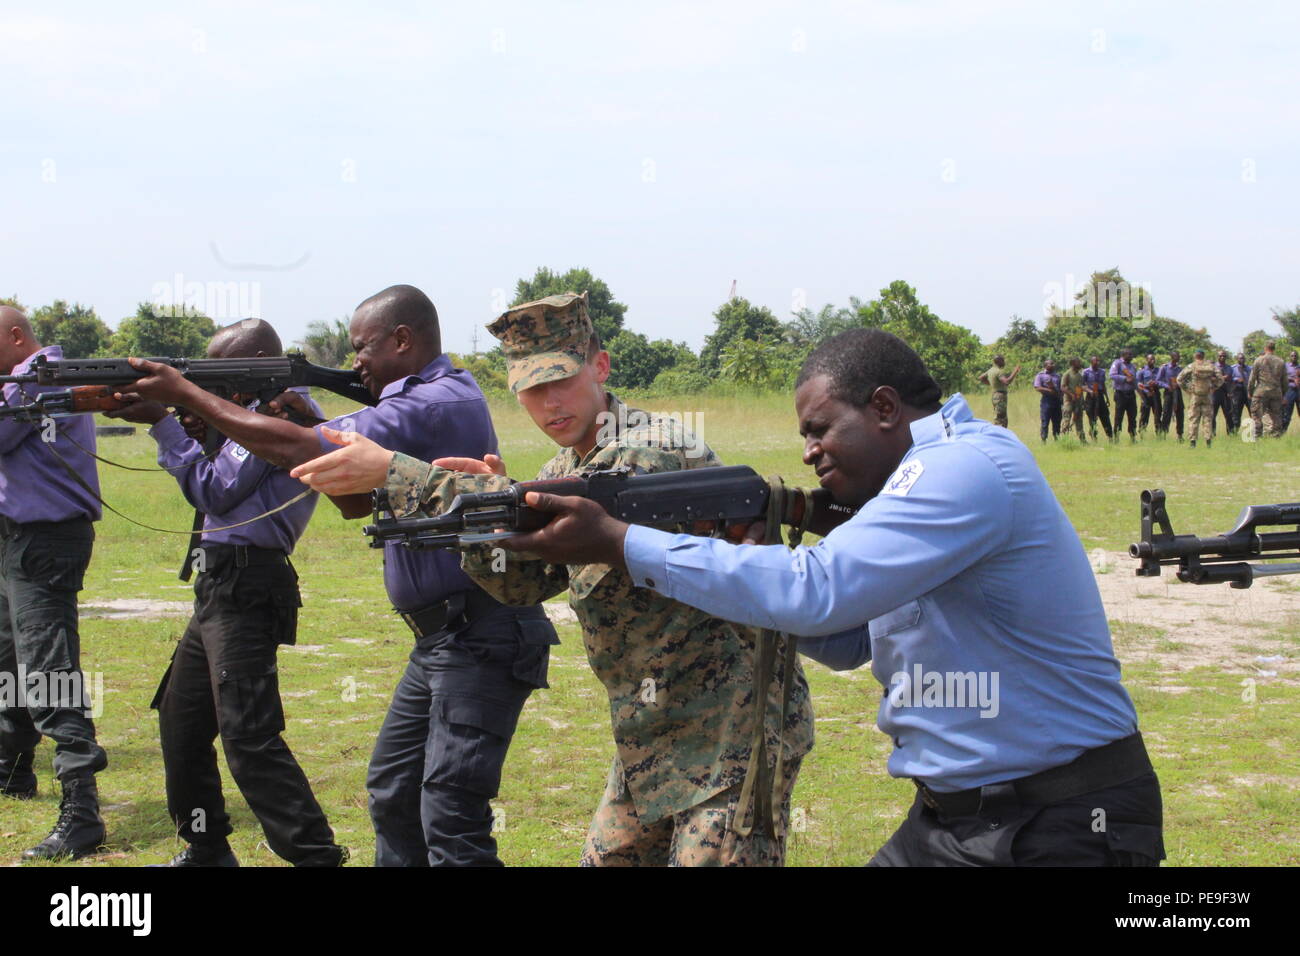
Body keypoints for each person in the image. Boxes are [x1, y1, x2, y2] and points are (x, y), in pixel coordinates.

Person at [478, 328, 1164, 867]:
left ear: (885, 407)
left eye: (820, 429)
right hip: (957, 819)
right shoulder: (907, 485)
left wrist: (621, 540)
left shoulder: (963, 468)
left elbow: (818, 593)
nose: (808, 452)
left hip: (1063, 821)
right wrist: (746, 555)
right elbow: (846, 641)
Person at [292, 293, 815, 866]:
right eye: (529, 389)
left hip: (735, 725)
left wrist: (397, 472)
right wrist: (486, 513)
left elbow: (595, 502)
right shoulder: (559, 471)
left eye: (559, 381)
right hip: (651, 729)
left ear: (601, 368)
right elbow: (526, 585)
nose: (548, 404)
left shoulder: (655, 446)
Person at [118, 285, 557, 867]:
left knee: (450, 817)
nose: (355, 363)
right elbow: (351, 500)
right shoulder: (404, 404)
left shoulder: (431, 402)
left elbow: (284, 456)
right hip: (440, 637)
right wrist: (296, 421)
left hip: (478, 630)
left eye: (363, 348)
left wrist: (187, 396)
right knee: (394, 795)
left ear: (403, 340)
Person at [105, 319, 347, 867]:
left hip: (249, 583)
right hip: (218, 585)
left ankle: (316, 856)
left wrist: (165, 425)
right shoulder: (246, 412)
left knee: (248, 736)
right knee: (181, 721)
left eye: (222, 374)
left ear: (259, 362)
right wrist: (192, 424)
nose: (214, 390)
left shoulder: (281, 413)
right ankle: (207, 846)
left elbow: (214, 489)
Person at [0, 305, 109, 860]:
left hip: (45, 540)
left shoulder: (41, 379)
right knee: (10, 660)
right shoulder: (23, 380)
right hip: (17, 535)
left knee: (48, 672)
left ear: (16, 337)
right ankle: (14, 768)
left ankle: (83, 810)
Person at [1176, 350, 1225, 449]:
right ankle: (1208, 442)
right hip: (1207, 395)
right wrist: (1214, 387)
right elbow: (1221, 378)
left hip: (1195, 395)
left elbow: (1179, 379)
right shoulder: (1210, 366)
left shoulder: (1192, 366)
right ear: (1203, 356)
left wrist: (1188, 389)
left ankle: (1193, 443)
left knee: (1193, 419)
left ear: (1195, 356)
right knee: (1207, 419)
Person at [1248, 341, 1287, 438]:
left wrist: (1250, 391)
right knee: (1276, 416)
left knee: (1257, 415)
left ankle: (1257, 437)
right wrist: (1283, 393)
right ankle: (1276, 437)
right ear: (1274, 348)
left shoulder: (1259, 360)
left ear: (1265, 348)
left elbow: (1252, 379)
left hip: (1261, 392)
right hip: (1276, 392)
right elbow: (1285, 381)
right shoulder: (1281, 361)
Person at [979, 355, 1019, 428]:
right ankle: (997, 436)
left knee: (1001, 417)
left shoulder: (991, 370)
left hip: (994, 396)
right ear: (999, 361)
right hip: (1000, 396)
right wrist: (1015, 372)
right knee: (1000, 419)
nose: (1004, 362)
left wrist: (992, 384)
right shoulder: (999, 371)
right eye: (1003, 360)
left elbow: (981, 378)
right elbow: (1006, 382)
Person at [1108, 349, 1138, 441]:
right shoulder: (1117, 363)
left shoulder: (1132, 366)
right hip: (1120, 394)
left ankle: (1133, 437)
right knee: (1119, 416)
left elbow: (1134, 380)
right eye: (1129, 354)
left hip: (1131, 394)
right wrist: (1125, 379)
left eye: (1131, 354)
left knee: (1132, 416)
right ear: (1123, 355)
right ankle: (1116, 437)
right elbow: (1112, 375)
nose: (1131, 356)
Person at [1082, 355, 1113, 441]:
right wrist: (1089, 391)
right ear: (1091, 362)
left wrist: (1106, 397)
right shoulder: (1086, 372)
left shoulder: (1102, 372)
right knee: (1092, 418)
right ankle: (1093, 436)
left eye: (1099, 361)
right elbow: (1082, 385)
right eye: (1096, 361)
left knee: (1105, 416)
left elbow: (1103, 385)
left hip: (1100, 395)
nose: (1098, 363)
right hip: (1090, 396)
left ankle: (1110, 436)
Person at [1156, 352, 1184, 441]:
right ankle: (1163, 434)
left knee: (1180, 414)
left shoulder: (1180, 369)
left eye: (1179, 356)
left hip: (1178, 392)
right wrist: (1167, 386)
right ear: (1172, 357)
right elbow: (1158, 381)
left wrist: (1179, 385)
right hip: (1168, 393)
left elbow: (1184, 380)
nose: (1178, 358)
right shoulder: (1164, 368)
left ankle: (1180, 435)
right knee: (1166, 414)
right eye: (1177, 356)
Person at [1033, 359, 1061, 443]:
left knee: (1057, 421)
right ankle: (1044, 440)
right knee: (1045, 421)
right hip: (1046, 401)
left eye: (1053, 363)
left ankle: (1057, 439)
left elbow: (1060, 389)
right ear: (1045, 365)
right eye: (1051, 363)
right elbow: (1037, 387)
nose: (1053, 365)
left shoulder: (1057, 376)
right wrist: (1049, 390)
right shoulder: (1040, 375)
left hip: (1056, 400)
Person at [1059, 358, 1086, 442]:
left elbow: (1080, 388)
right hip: (1068, 401)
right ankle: (1064, 440)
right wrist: (1071, 395)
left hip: (1078, 401)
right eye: (1078, 362)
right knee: (1066, 420)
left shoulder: (1079, 375)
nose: (1080, 363)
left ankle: (1082, 440)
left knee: (1079, 421)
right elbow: (1062, 387)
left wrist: (1081, 400)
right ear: (1073, 363)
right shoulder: (1067, 374)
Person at [1136, 354, 1163, 436]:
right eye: (1151, 359)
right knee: (1144, 415)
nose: (1153, 361)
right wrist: (1146, 391)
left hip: (1156, 393)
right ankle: (1141, 433)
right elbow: (1138, 384)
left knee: (1158, 414)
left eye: (1153, 359)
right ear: (1146, 360)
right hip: (1146, 395)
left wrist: (1156, 384)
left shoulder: (1158, 370)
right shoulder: (1142, 371)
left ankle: (1159, 433)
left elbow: (1162, 382)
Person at [1211, 350, 1234, 437]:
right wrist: (1222, 378)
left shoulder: (1229, 368)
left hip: (1226, 393)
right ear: (1218, 356)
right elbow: (1211, 378)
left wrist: (1218, 378)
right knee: (1213, 414)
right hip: (1215, 392)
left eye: (1224, 356)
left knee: (1228, 414)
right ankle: (1212, 433)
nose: (1222, 357)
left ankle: (1231, 433)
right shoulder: (1213, 367)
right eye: (1221, 356)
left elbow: (1230, 378)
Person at [1228, 353, 1251, 432]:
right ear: (1237, 359)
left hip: (1247, 391)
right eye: (1240, 358)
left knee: (1252, 411)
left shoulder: (1249, 368)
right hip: (1237, 392)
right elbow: (1229, 379)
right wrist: (1236, 379)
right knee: (1236, 412)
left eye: (1243, 358)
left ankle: (1255, 431)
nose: (1242, 360)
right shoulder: (1232, 368)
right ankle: (1235, 430)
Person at [1281, 351, 1300, 433]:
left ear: (1298, 357)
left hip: (1299, 391)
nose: (1294, 357)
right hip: (1290, 391)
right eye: (1292, 356)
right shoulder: (1286, 366)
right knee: (1287, 413)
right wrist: (1293, 379)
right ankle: (1283, 431)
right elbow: (1282, 377)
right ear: (1290, 357)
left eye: (1295, 356)